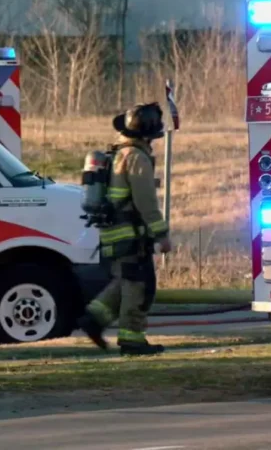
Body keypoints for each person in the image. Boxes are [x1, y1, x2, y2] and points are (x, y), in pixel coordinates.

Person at [77, 102, 172, 356]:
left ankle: (93, 319)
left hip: (114, 232)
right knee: (140, 285)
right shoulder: (136, 157)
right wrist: (161, 234)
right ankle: (132, 341)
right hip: (130, 233)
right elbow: (145, 202)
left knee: (126, 281)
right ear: (147, 134)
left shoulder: (118, 154)